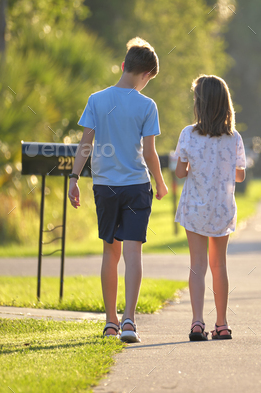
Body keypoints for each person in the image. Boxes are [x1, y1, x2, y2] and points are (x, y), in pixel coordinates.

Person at [68, 37, 168, 343]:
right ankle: (129, 321)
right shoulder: (147, 105)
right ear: (147, 74)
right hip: (137, 186)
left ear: (124, 65)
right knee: (133, 253)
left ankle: (110, 322)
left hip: (105, 187)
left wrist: (73, 178)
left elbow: (86, 143)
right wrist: (160, 182)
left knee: (110, 253)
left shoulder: (96, 99)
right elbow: (150, 153)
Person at [174, 75, 246, 341]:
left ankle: (196, 322)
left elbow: (180, 172)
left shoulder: (188, 134)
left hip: (195, 207)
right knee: (219, 265)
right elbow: (239, 176)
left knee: (197, 266)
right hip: (222, 208)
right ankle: (222, 323)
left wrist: (196, 165)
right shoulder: (233, 137)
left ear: (200, 104)